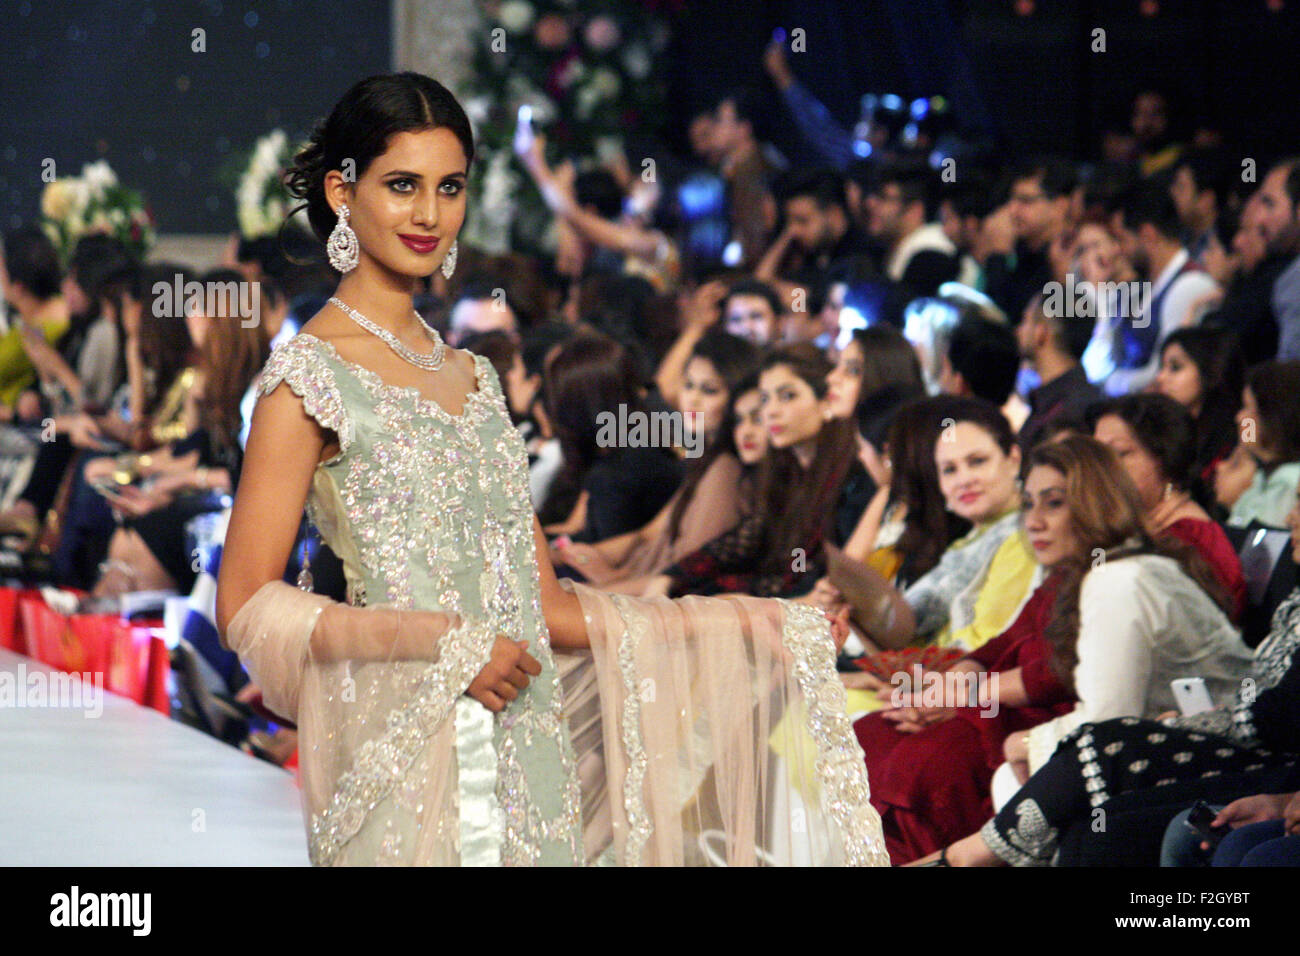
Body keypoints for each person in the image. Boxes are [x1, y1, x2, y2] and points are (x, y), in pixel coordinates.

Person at [215, 72, 885, 867]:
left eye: (450, 187)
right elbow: (247, 604)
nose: (430, 215)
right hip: (401, 750)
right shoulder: (309, 376)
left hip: (526, 745)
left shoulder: (474, 378)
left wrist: (754, 622)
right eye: (402, 186)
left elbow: (549, 610)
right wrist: (443, 643)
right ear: (342, 191)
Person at [550, 331, 758, 586]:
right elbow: (648, 534)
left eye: (709, 390)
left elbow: (682, 571)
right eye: (689, 385)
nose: (692, 399)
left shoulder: (725, 469)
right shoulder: (703, 457)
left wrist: (607, 583)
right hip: (636, 578)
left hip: (655, 599)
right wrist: (570, 557)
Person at [1089, 393, 1246, 617]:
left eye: (1119, 454)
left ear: (1164, 458)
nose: (1098, 468)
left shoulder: (1195, 541)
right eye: (1095, 455)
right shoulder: (1116, 531)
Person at [1153, 326, 1245, 505]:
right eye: (1162, 367)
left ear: (1210, 369)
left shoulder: (1247, 420)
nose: (1161, 377)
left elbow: (1251, 464)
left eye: (1175, 367)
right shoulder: (1165, 428)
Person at [1015, 292, 1100, 457]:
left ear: (1041, 332)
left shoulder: (1071, 412)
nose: (1018, 330)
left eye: (1025, 321)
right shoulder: (1076, 398)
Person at [1228, 360, 1300, 528]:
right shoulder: (1262, 476)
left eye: (1247, 408)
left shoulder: (1291, 483)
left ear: (1274, 417)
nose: (1239, 418)